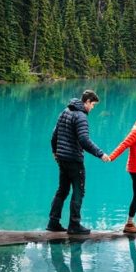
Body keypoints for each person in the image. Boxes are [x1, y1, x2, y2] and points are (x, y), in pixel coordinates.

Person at [47, 89, 110, 235]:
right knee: (78, 191)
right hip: (74, 160)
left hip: (62, 158)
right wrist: (100, 154)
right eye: (93, 105)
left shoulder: (65, 111)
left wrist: (55, 152)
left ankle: (53, 222)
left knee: (62, 190)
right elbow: (84, 140)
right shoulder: (81, 116)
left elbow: (54, 135)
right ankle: (74, 224)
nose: (92, 108)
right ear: (87, 101)